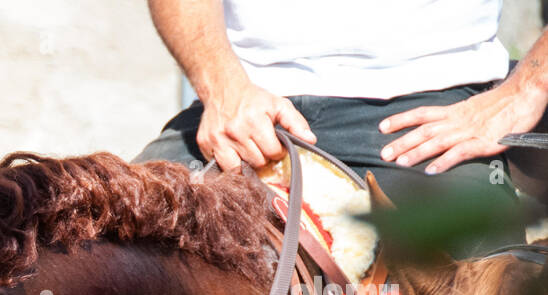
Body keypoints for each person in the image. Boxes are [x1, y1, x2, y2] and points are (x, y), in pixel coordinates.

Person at [136, 0, 548, 245]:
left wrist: (527, 88)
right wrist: (222, 89)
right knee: (109, 249)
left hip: (433, 105)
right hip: (241, 105)